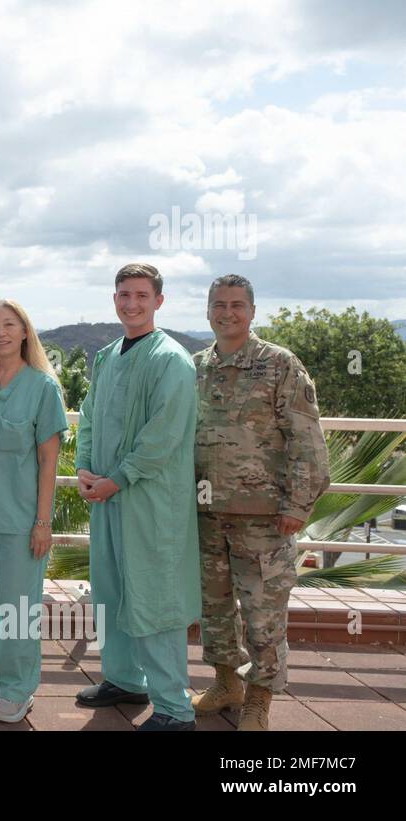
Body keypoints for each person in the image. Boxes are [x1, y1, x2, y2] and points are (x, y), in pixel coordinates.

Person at [192, 274, 329, 731]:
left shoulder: (278, 364)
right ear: (207, 310)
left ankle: (260, 698)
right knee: (215, 609)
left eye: (236, 305)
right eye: (218, 304)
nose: (226, 312)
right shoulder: (196, 366)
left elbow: (306, 440)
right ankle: (227, 682)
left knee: (263, 617)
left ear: (252, 311)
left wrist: (298, 504)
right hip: (206, 515)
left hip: (266, 518)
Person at [74, 263, 200, 731]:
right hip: (106, 496)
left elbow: (163, 436)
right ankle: (126, 680)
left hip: (150, 502)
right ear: (114, 298)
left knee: (155, 598)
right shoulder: (107, 355)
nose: (132, 303)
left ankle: (173, 709)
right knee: (110, 591)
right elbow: (88, 415)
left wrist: (118, 479)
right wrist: (86, 469)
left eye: (142, 296)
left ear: (159, 302)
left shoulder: (172, 359)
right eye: (124, 294)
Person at [0, 299, 68, 724]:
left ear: (25, 332)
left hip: (22, 519)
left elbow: (48, 461)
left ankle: (21, 686)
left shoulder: (43, 387)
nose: (0, 332)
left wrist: (43, 522)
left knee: (17, 606)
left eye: (9, 325)